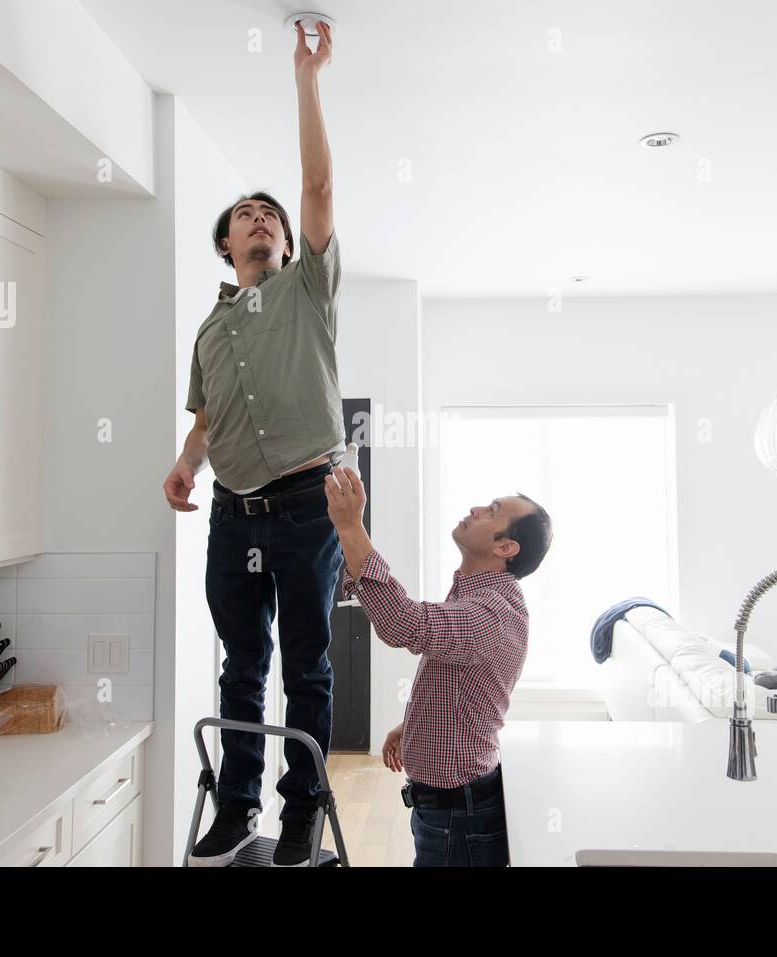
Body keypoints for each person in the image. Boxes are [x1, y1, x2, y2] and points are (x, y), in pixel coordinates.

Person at [166, 20, 346, 867]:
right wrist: (182, 463)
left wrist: (306, 78)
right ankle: (236, 805)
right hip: (235, 516)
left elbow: (316, 182)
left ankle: (301, 811)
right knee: (243, 663)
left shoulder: (308, 290)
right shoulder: (209, 327)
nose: (262, 215)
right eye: (246, 213)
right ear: (227, 244)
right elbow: (206, 418)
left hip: (309, 509)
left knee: (305, 668)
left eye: (268, 211)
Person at [324, 466, 553, 867]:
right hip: (449, 810)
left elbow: (403, 624)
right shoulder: (476, 595)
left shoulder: (493, 612)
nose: (476, 508)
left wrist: (350, 526)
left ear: (505, 547)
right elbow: (456, 678)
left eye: (492, 510)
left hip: (459, 817)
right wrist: (412, 726)